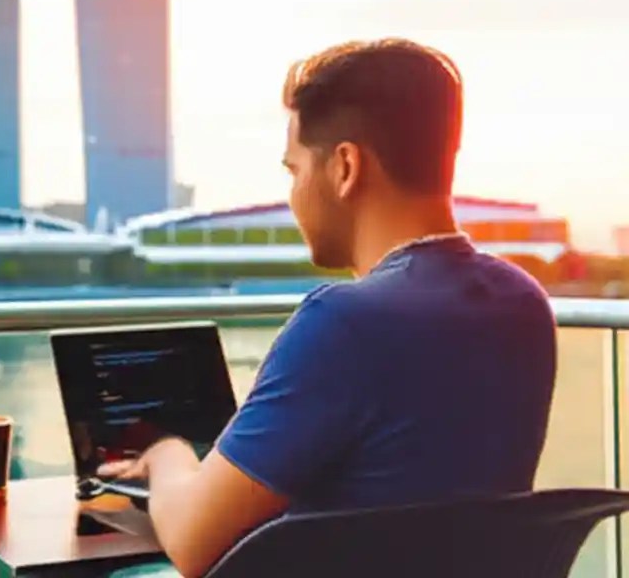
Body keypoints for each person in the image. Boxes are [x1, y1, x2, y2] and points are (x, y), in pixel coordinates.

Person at [101, 39, 557, 577]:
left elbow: (194, 543)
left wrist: (166, 454)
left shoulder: (344, 323)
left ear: (344, 167)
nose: (294, 193)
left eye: (294, 171)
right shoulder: (524, 304)